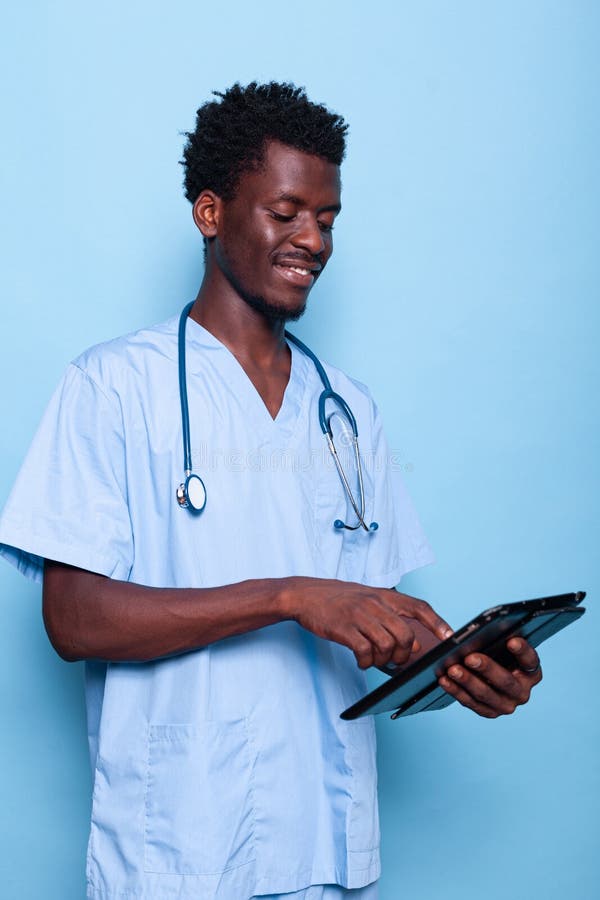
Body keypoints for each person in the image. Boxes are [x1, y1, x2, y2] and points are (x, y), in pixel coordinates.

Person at [0, 82, 542, 900]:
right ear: (210, 212)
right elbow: (73, 621)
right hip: (176, 850)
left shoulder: (347, 410)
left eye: (326, 220)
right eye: (285, 212)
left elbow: (370, 618)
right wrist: (289, 595)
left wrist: (459, 669)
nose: (312, 240)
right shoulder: (112, 386)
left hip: (323, 846)